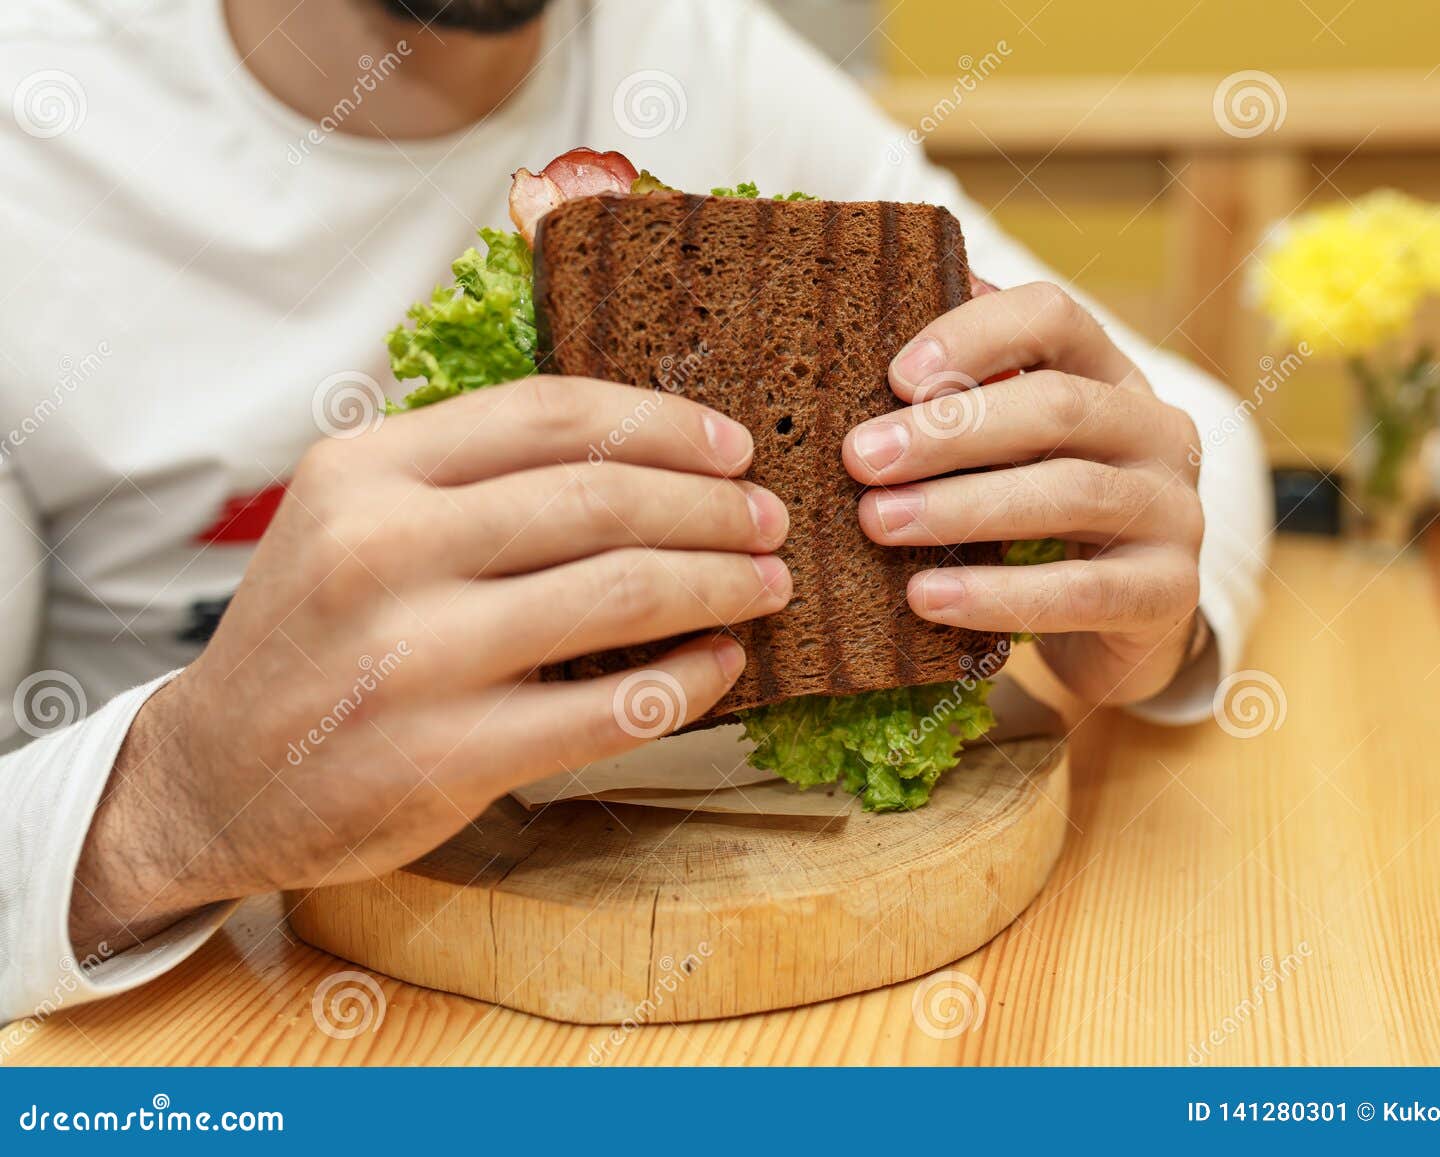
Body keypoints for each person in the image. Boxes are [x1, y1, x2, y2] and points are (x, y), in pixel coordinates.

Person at [0, 0, 1270, 1024]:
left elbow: (1190, 417)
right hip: (208, 1018)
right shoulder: (34, 119)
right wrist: (167, 807)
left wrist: (1141, 595)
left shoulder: (684, 42)